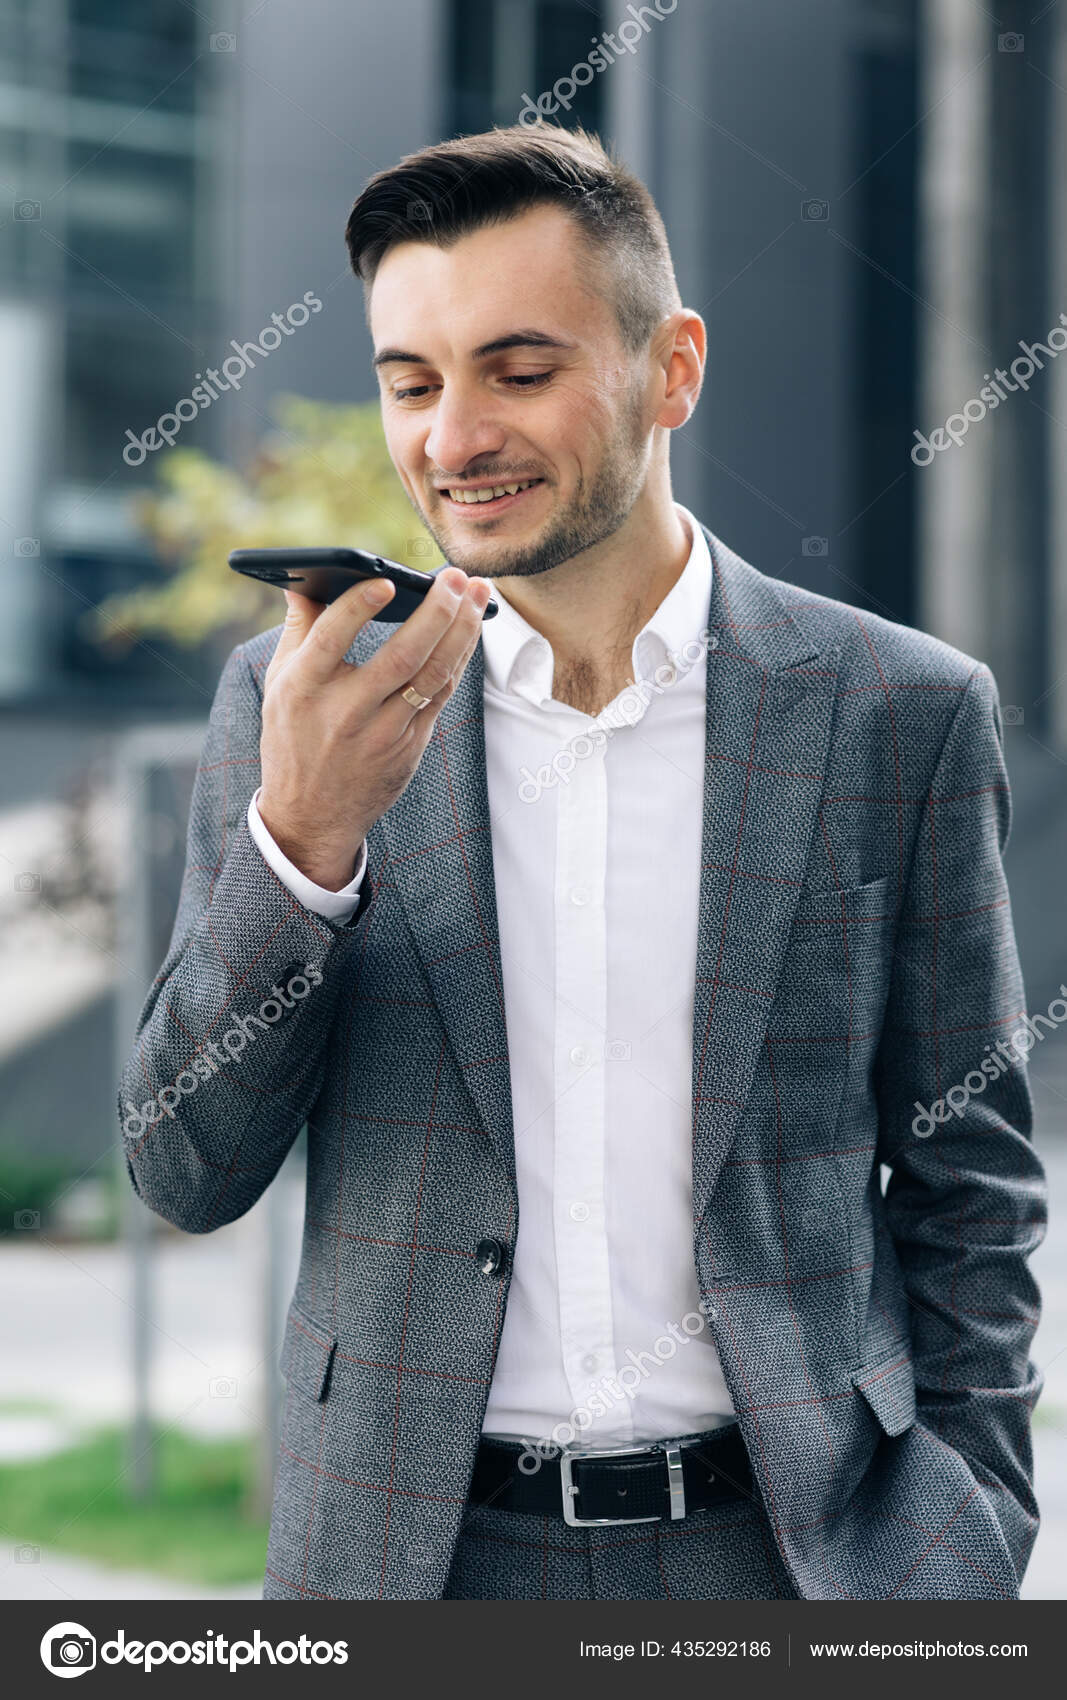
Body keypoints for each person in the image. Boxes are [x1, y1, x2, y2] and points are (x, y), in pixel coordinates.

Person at [118, 122, 1046, 1602]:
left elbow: (968, 1179)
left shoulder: (901, 713)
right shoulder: (295, 703)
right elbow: (185, 1169)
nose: (452, 437)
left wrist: (968, 1532)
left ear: (671, 367)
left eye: (519, 370)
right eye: (410, 383)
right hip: (410, 1565)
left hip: (800, 1558)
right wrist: (302, 843)